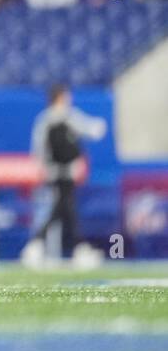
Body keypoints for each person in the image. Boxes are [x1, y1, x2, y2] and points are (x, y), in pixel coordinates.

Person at [23, 85, 107, 268]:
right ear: (60, 97)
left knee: (64, 207)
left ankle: (50, 245)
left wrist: (43, 167)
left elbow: (37, 148)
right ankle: (45, 244)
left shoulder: (44, 119)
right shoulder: (67, 116)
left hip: (53, 171)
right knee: (64, 207)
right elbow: (92, 130)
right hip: (66, 170)